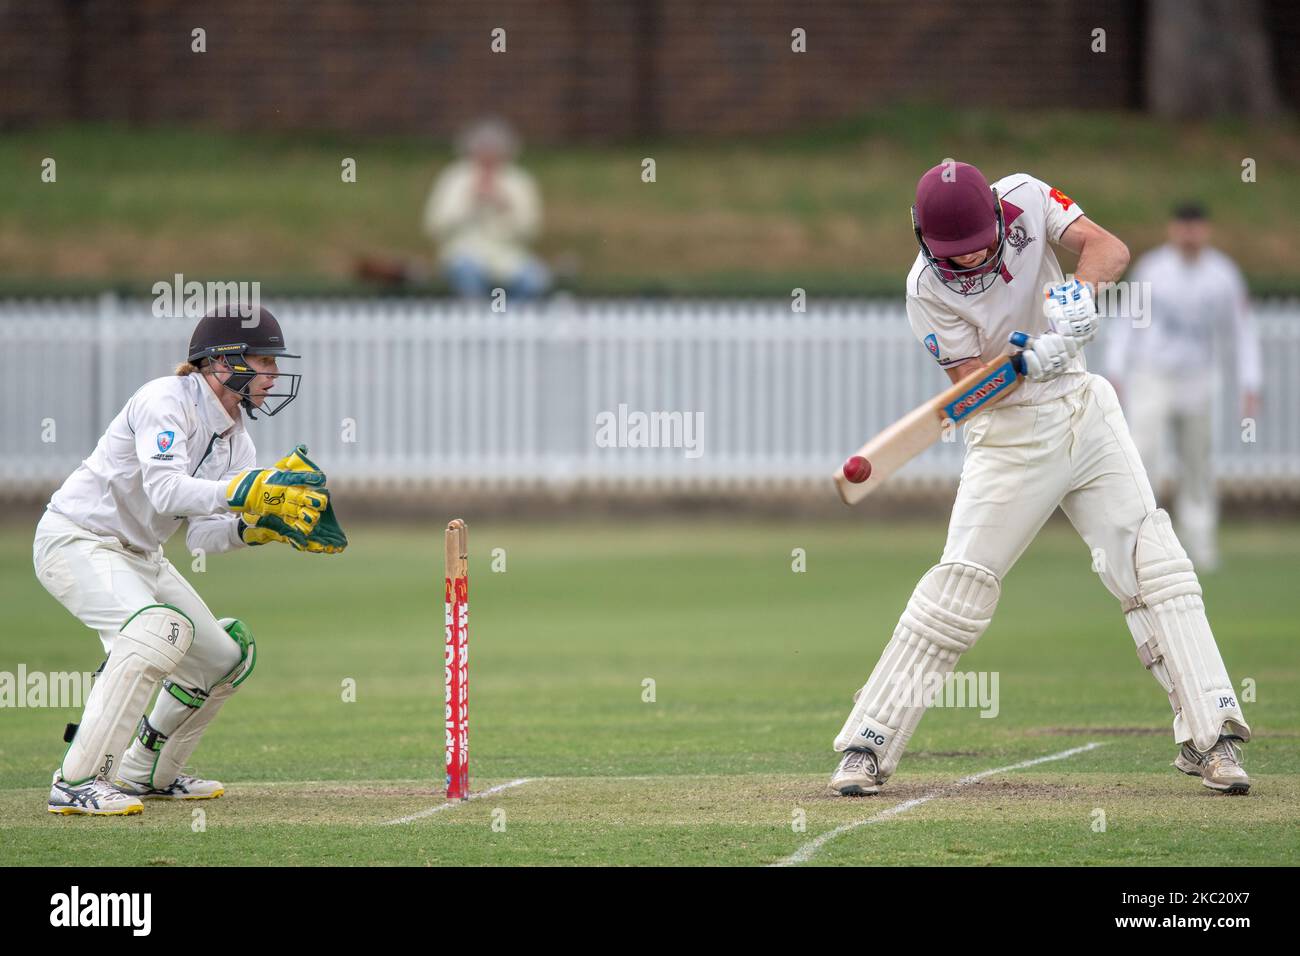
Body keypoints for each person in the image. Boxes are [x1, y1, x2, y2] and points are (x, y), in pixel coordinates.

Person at [830, 163, 1251, 797]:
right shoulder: (925, 289)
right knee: (959, 590)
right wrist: (1029, 360)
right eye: (953, 253)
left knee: (1154, 563)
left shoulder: (1024, 196)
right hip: (1009, 437)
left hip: (1086, 408)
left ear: (999, 220)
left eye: (977, 244)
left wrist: (1078, 294)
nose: (968, 259)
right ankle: (869, 742)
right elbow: (970, 392)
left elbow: (1108, 248)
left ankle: (1211, 735)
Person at [34, 305, 346, 816]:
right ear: (222, 362)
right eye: (263, 361)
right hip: (77, 540)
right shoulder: (165, 399)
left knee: (225, 659)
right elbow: (164, 492)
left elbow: (203, 534)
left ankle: (145, 773)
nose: (272, 375)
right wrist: (250, 489)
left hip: (141, 555)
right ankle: (77, 781)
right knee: (157, 629)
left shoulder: (235, 435)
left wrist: (259, 526)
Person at [1105, 203, 1261, 571]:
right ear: (1173, 230)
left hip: (1198, 377)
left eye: (1196, 228)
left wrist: (1250, 382)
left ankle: (1201, 541)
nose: (1190, 235)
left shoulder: (1222, 275)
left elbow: (1241, 332)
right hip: (1152, 374)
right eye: (1183, 227)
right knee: (1144, 457)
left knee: (1198, 461)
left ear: (1205, 231)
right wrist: (1116, 370)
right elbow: (1127, 320)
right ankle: (1140, 542)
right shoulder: (1153, 269)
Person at [423, 117, 550, 300]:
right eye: (482, 150)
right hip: (464, 253)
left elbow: (530, 231)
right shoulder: (455, 178)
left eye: (494, 151)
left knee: (534, 280)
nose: (488, 156)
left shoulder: (518, 181)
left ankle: (506, 321)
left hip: (508, 256)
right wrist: (471, 202)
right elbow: (435, 226)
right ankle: (477, 323)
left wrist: (505, 207)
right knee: (467, 274)